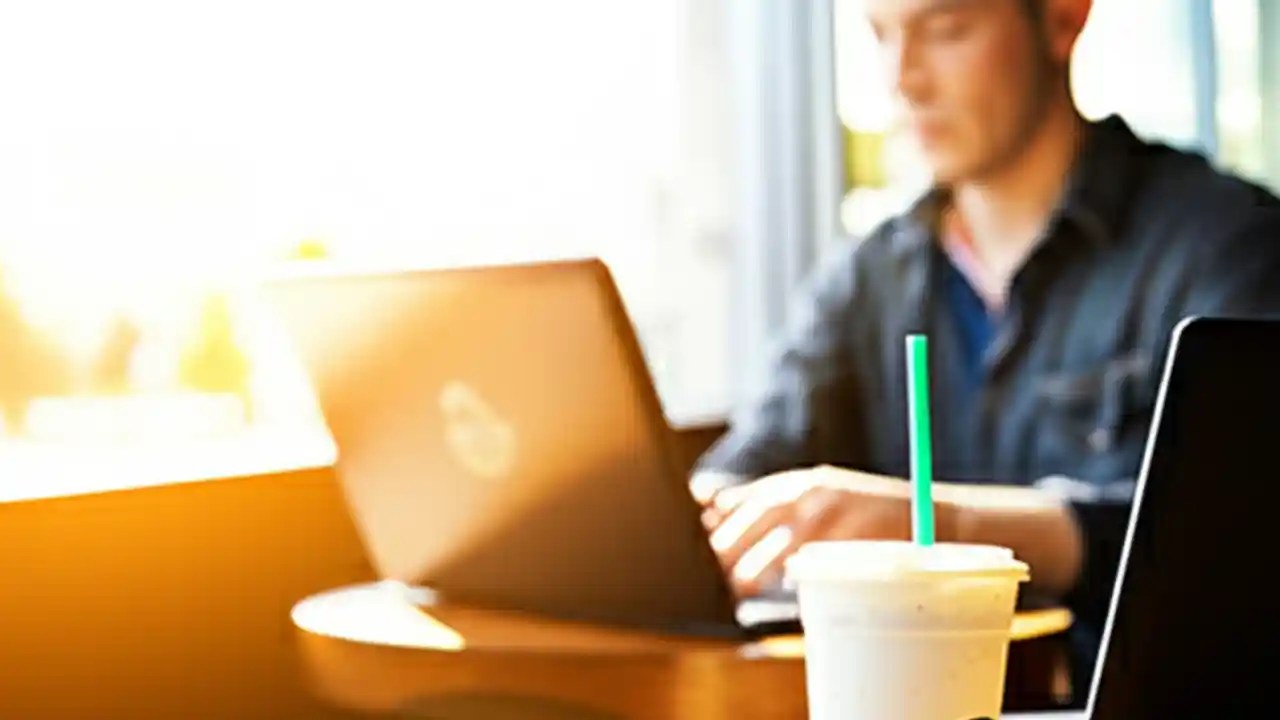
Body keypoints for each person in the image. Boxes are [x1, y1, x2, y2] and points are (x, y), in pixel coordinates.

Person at [693, 0, 1280, 701]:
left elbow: (1240, 531)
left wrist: (947, 527)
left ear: (1062, 20)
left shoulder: (1225, 245)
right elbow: (750, 462)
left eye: (945, 30)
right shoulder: (867, 278)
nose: (902, 77)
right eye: (880, 36)